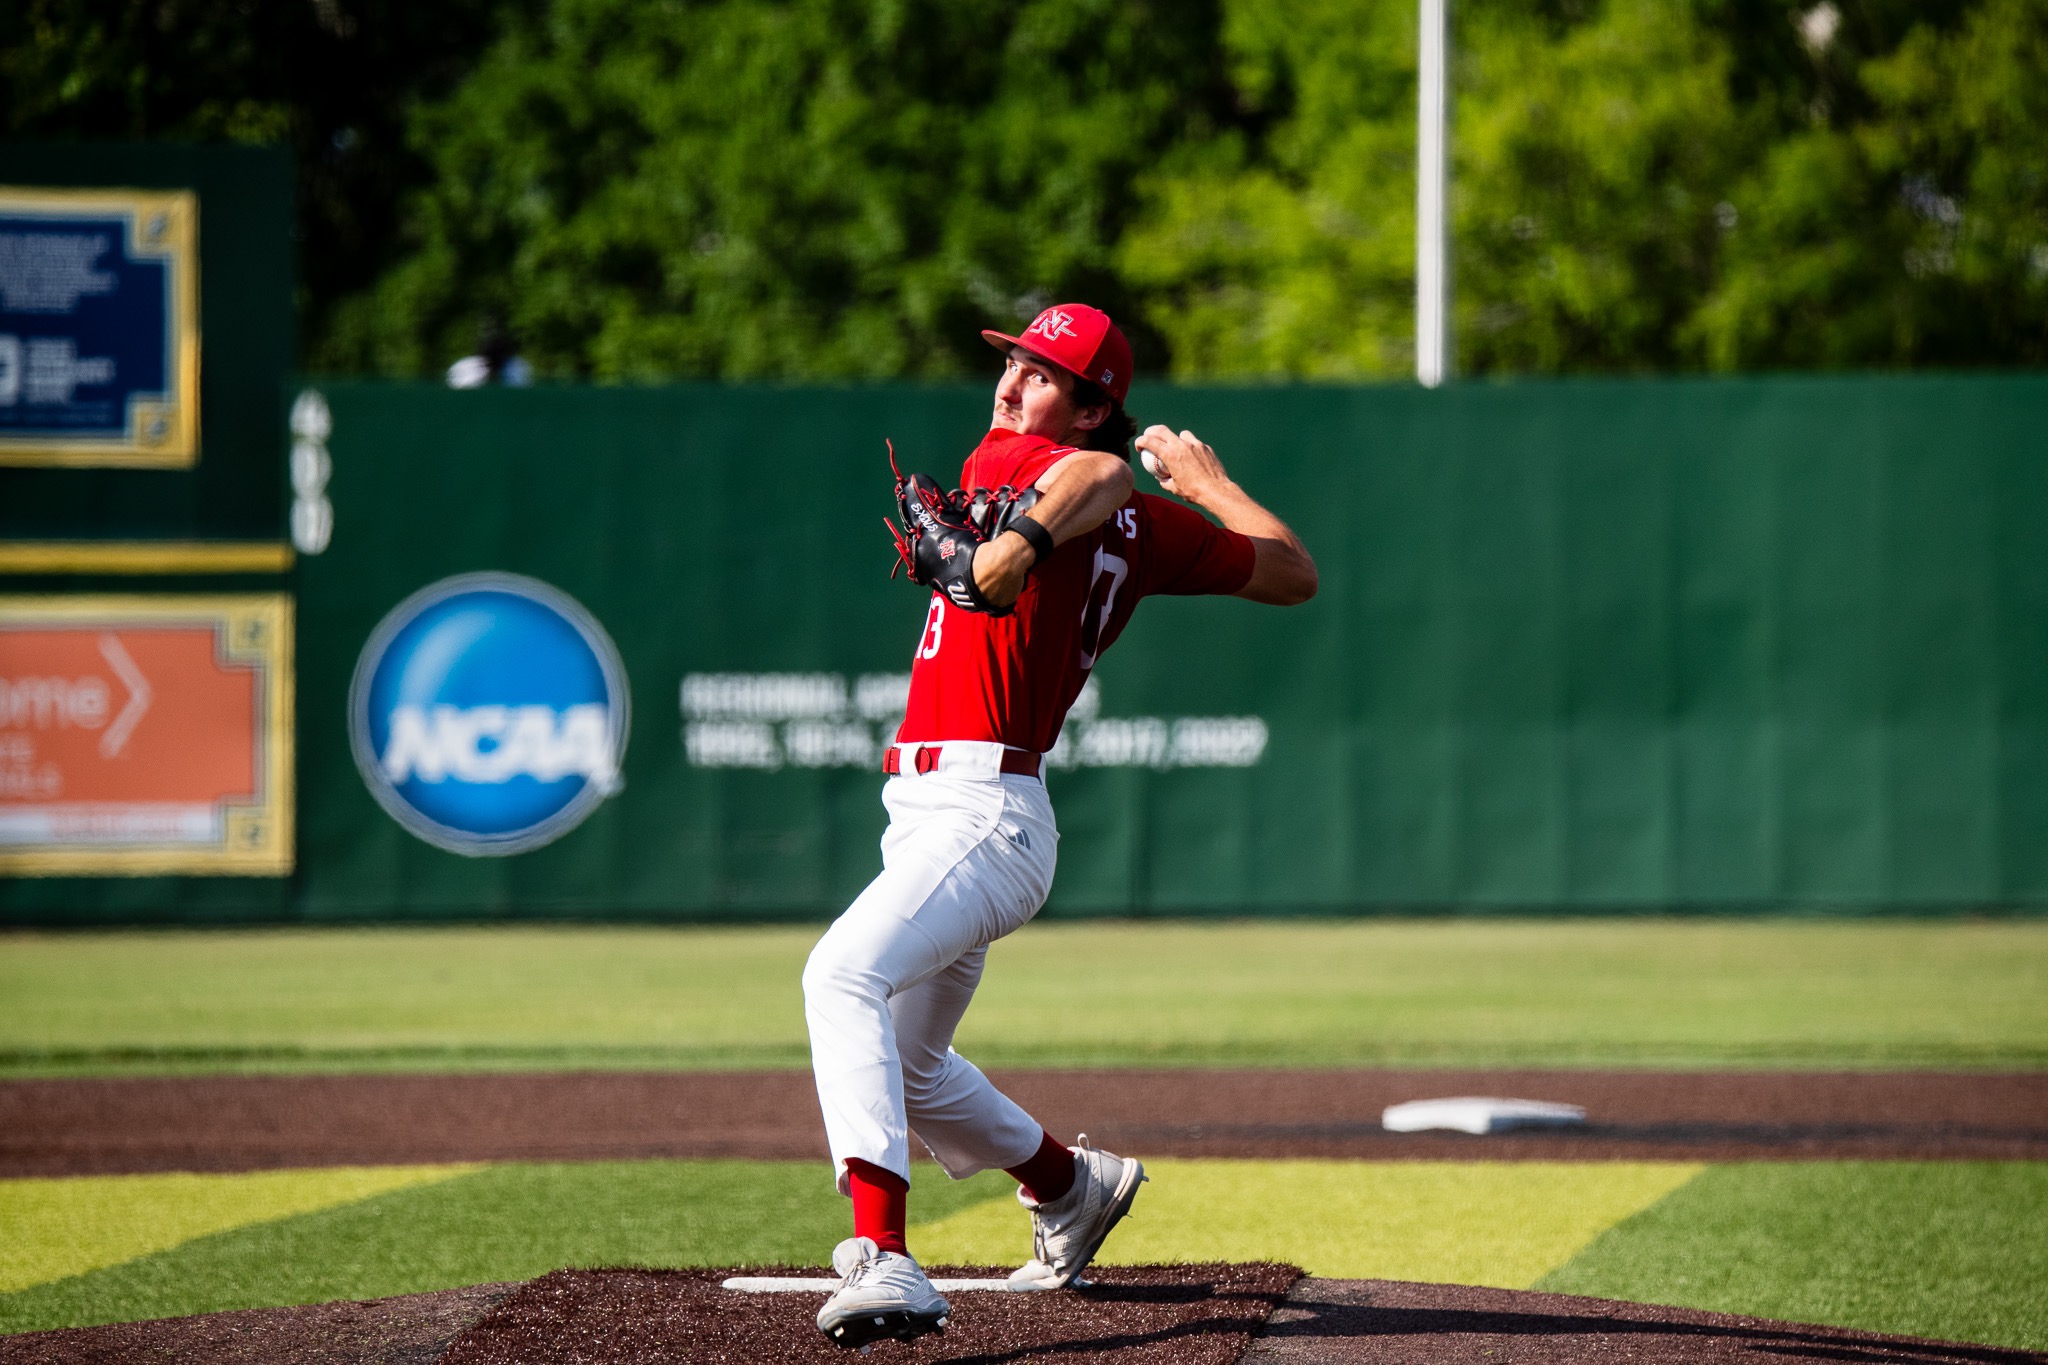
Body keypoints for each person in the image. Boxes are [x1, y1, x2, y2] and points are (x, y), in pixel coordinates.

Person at [804, 303, 1317, 1349]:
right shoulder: (1134, 524)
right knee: (909, 1065)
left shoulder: (1031, 464)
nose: (1009, 385)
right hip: (946, 814)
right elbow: (1287, 569)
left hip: (981, 811)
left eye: (1041, 374)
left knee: (838, 975)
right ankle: (1068, 1184)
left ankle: (883, 1254)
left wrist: (1031, 531)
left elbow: (1101, 477)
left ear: (1090, 408)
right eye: (1013, 364)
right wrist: (1206, 487)